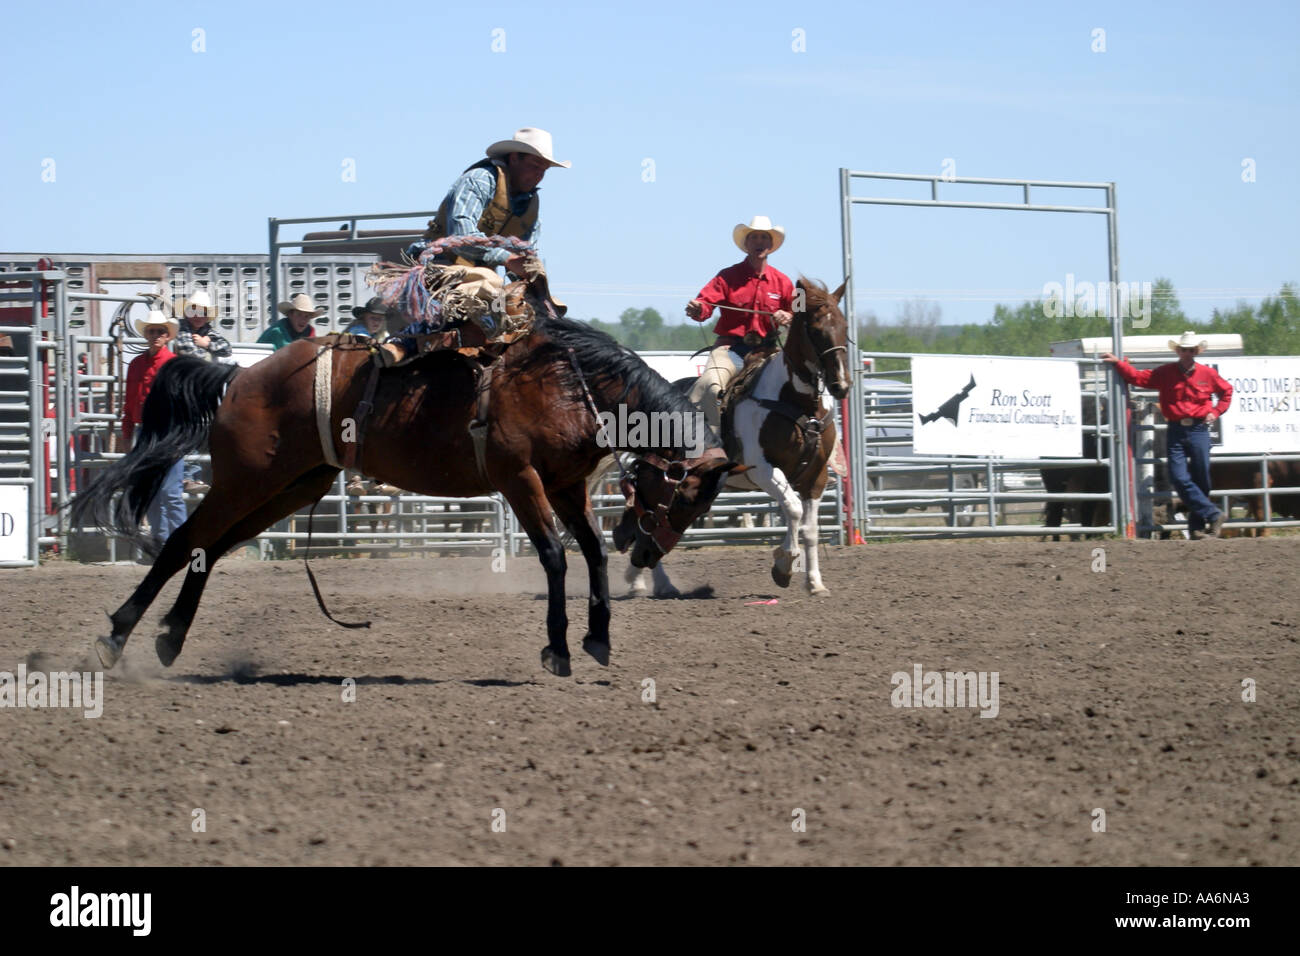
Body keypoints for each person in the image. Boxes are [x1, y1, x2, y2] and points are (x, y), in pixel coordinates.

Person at [1102, 331, 1234, 539]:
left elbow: (1226, 391)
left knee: (1202, 480)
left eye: (1191, 350)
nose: (1187, 353)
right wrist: (1120, 364)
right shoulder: (1166, 373)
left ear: (1196, 352)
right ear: (1178, 351)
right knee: (1179, 477)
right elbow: (1138, 377)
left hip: (1199, 429)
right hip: (1176, 428)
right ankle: (1213, 514)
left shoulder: (1207, 374)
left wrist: (1216, 412)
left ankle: (1197, 529)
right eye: (1184, 350)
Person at [684, 216, 795, 431]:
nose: (759, 242)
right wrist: (697, 308)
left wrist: (789, 316)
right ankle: (711, 442)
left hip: (769, 352)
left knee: (798, 389)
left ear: (771, 245)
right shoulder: (727, 277)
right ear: (746, 244)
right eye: (754, 237)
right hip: (730, 349)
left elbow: (800, 313)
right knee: (710, 385)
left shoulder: (785, 282)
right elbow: (704, 304)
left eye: (764, 237)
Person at [122, 310, 186, 556]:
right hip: (146, 433)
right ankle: (161, 546)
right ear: (146, 334)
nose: (156, 335)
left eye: (160, 331)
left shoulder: (172, 364)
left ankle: (179, 546)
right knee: (154, 493)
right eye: (152, 331)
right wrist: (127, 433)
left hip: (168, 432)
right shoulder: (138, 364)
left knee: (170, 493)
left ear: (167, 336)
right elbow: (129, 402)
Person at [172, 289, 231, 494]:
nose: (199, 316)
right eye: (195, 311)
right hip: (186, 392)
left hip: (203, 393)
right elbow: (189, 352)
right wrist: (207, 349)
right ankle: (190, 475)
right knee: (191, 432)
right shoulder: (179, 330)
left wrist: (207, 344)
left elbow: (226, 348)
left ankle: (196, 476)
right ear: (187, 312)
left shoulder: (208, 333)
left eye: (202, 312)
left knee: (203, 433)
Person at [259, 293, 323, 350]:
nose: (303, 320)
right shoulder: (277, 332)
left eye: (307, 316)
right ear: (290, 315)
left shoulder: (310, 332)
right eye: (299, 314)